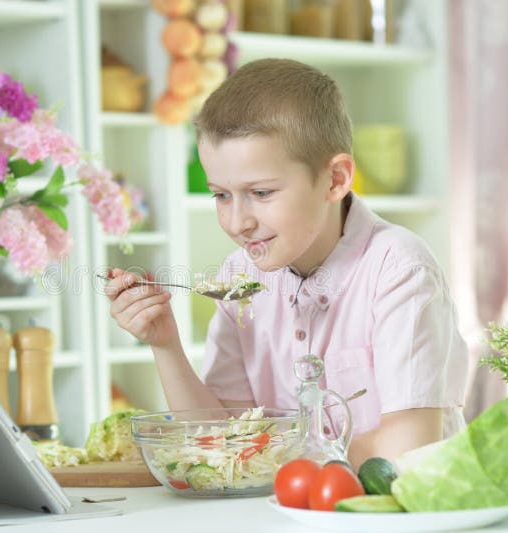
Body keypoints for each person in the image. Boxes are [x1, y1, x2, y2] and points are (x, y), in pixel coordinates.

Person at [104, 58, 468, 468]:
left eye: (260, 193)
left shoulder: (398, 269)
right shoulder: (239, 277)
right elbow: (222, 438)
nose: (237, 222)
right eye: (221, 195)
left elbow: (408, 451)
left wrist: (271, 455)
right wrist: (165, 344)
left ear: (334, 179)